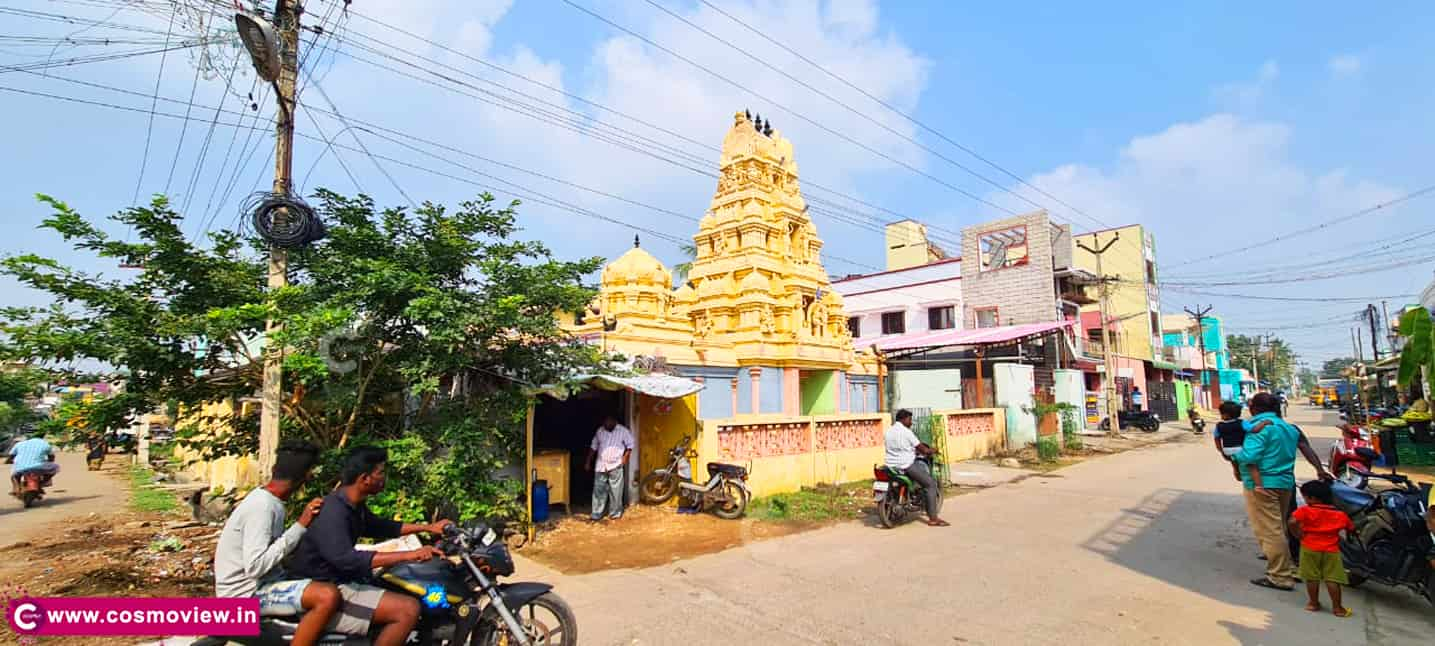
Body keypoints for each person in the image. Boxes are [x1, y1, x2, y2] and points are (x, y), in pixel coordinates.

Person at [286, 447, 453, 646]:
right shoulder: (334, 511)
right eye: (380, 473)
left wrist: (429, 527)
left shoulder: (353, 505)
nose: (384, 478)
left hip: (342, 581)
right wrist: (410, 555)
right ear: (365, 478)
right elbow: (346, 560)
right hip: (325, 585)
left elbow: (381, 526)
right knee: (407, 609)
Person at [214, 441, 340, 646]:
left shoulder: (269, 501)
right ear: (305, 477)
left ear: (275, 469)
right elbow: (256, 566)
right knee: (326, 596)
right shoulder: (263, 507)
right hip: (244, 595)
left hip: (261, 583)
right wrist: (301, 525)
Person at [1232, 392, 1302, 591]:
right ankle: (1289, 569)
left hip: (1262, 484)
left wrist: (1235, 458)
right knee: (1278, 526)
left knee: (1269, 531)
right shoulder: (1288, 428)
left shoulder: (1260, 429)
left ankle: (1280, 576)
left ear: (1255, 408)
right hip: (1284, 483)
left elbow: (1249, 455)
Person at [1289, 480, 1355, 617]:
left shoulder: (1305, 511)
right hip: (1331, 550)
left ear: (1312, 498)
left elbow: (1292, 521)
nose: (1305, 500)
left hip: (1309, 547)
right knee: (1332, 579)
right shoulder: (1340, 514)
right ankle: (1338, 608)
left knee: (1311, 577)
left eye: (1305, 497)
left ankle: (1313, 603)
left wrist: (1298, 534)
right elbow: (1351, 528)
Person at [884, 409, 948, 527]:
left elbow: (900, 447)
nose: (911, 422)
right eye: (909, 419)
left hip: (890, 465)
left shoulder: (888, 431)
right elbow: (922, 449)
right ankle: (933, 519)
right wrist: (931, 450)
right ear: (903, 419)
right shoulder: (907, 432)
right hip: (906, 465)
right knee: (930, 484)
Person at [585, 414, 634, 521]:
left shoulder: (623, 431)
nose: (605, 424)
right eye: (604, 422)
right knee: (599, 490)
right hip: (601, 465)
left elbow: (630, 445)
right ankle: (597, 513)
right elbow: (593, 447)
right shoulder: (600, 431)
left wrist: (625, 458)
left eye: (608, 422)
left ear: (614, 421)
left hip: (615, 464)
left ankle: (615, 513)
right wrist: (588, 462)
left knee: (616, 491)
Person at [1213, 401, 1260, 485]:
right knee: (1250, 465)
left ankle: (1237, 472)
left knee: (1234, 463)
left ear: (1226, 414)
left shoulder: (1219, 425)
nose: (1221, 415)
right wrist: (1264, 423)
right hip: (1240, 449)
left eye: (1221, 413)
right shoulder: (1241, 423)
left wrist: (1221, 450)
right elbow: (1254, 429)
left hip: (1227, 450)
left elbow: (1217, 438)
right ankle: (1257, 483)